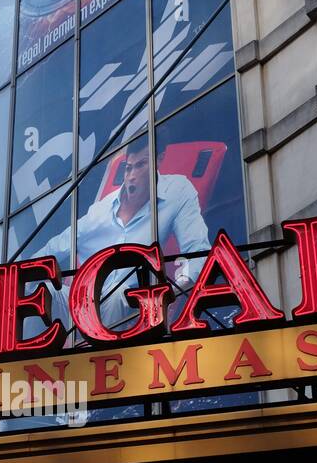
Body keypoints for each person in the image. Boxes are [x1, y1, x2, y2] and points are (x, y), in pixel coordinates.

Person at [43, 135, 210, 330]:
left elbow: (198, 249)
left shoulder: (177, 191)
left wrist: (175, 289)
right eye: (128, 168)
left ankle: (101, 355)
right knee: (43, 290)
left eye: (141, 165)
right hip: (85, 301)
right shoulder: (102, 210)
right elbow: (57, 245)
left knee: (117, 294)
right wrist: (23, 275)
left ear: (159, 159)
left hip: (132, 303)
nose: (131, 175)